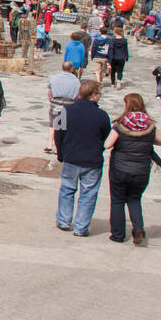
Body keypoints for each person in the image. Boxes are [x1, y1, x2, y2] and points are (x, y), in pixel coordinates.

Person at [104, 93, 161, 245]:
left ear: (127, 106)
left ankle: (118, 235)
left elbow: (107, 144)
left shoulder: (120, 125)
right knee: (134, 199)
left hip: (120, 169)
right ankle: (138, 228)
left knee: (118, 201)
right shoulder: (150, 125)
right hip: (141, 171)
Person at [55, 80, 111, 236]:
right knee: (88, 194)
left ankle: (63, 221)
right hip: (92, 160)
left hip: (71, 157)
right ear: (94, 96)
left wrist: (60, 153)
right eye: (99, 93)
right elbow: (106, 138)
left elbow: (58, 133)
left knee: (67, 189)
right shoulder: (102, 115)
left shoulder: (65, 110)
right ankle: (80, 227)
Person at [46, 61, 81, 154]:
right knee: (64, 126)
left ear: (62, 68)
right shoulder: (76, 81)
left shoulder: (54, 78)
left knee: (53, 125)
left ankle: (50, 144)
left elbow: (49, 92)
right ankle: (60, 147)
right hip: (69, 104)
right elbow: (78, 96)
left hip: (55, 102)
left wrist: (51, 100)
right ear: (72, 69)